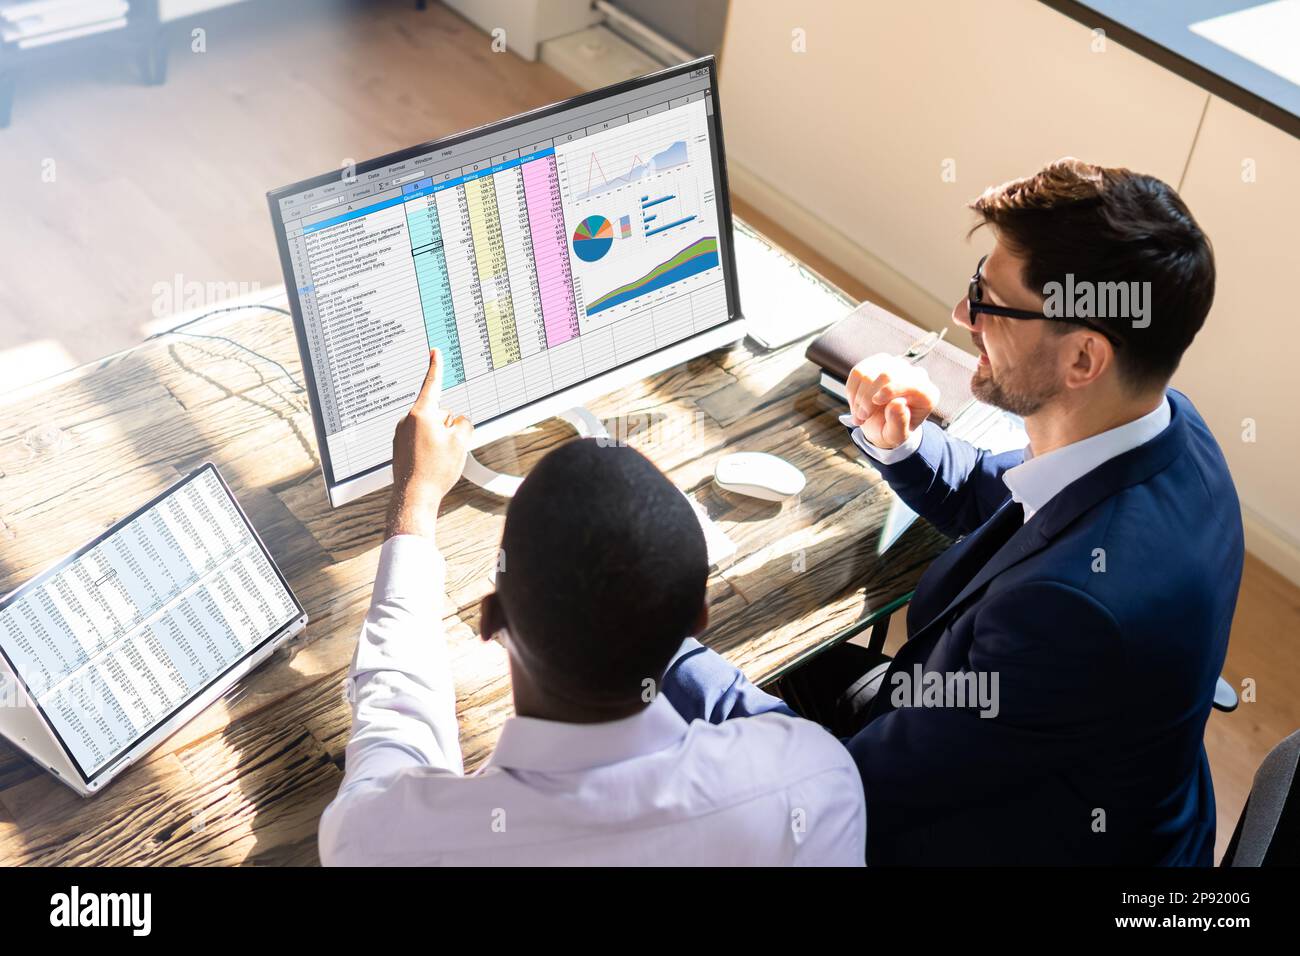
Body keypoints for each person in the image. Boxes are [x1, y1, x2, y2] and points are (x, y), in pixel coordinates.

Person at [669, 158, 1243, 865]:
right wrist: (906, 445)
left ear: (1084, 360)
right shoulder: (1166, 428)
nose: (962, 315)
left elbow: (845, 793)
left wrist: (650, 647)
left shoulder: (1071, 615)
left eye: (990, 301)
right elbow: (1004, 500)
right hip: (980, 738)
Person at [317, 349, 866, 866]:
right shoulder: (814, 779)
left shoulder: (387, 843)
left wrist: (415, 499)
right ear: (699, 620)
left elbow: (392, 731)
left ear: (491, 622)